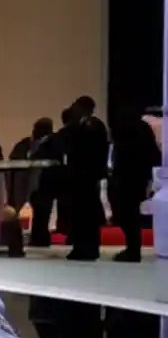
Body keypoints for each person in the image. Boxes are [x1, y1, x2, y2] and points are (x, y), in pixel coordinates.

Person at [63, 95, 109, 261]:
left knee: (87, 213)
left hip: (86, 176)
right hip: (80, 176)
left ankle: (88, 248)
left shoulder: (92, 126)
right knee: (80, 213)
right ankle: (81, 246)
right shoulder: (82, 126)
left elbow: (90, 152)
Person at [108, 114, 160, 262]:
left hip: (125, 177)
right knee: (131, 213)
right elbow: (154, 153)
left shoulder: (124, 131)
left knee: (126, 213)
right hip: (138, 177)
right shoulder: (143, 128)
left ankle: (133, 249)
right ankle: (133, 248)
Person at [26, 117, 64, 247]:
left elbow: (37, 157)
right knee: (39, 209)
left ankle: (41, 238)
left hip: (48, 180)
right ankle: (38, 236)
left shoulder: (52, 142)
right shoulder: (35, 143)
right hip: (39, 180)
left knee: (43, 210)